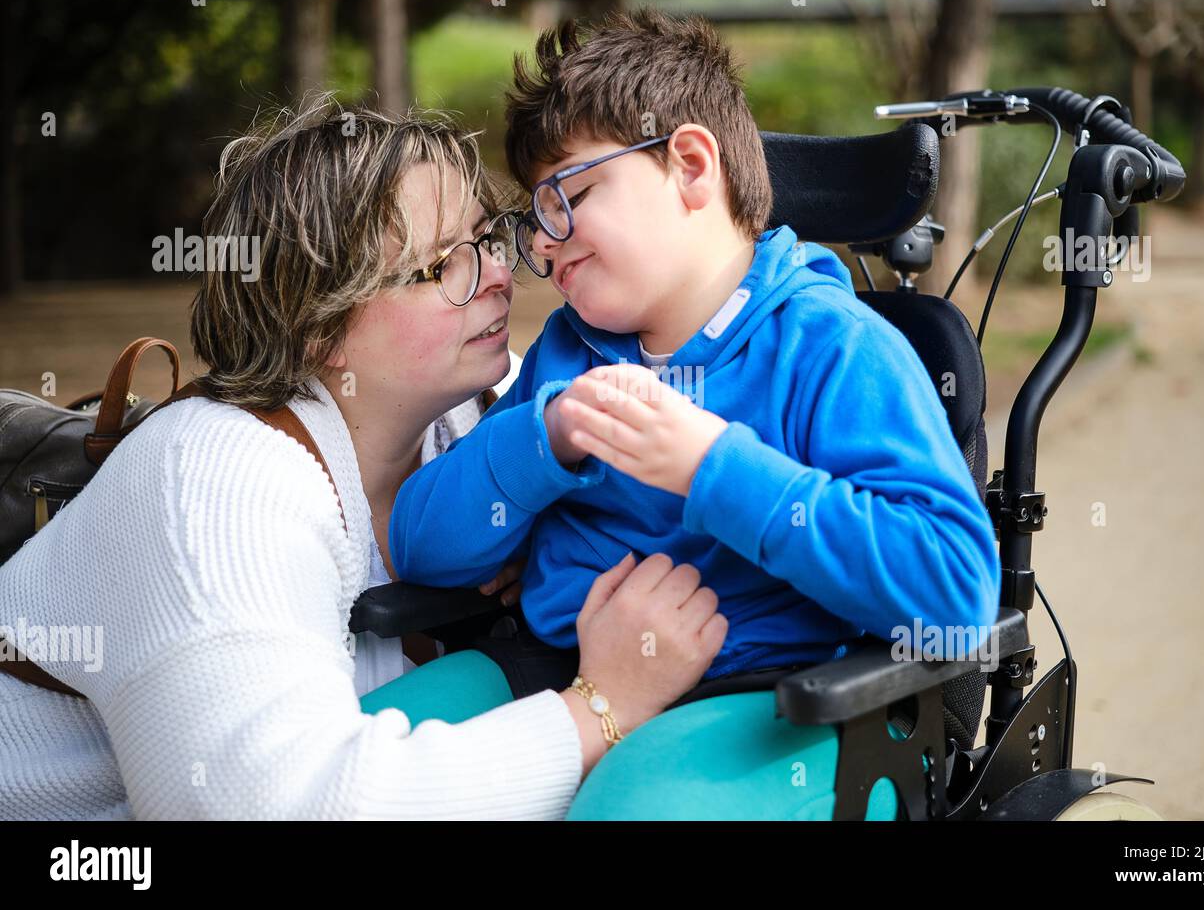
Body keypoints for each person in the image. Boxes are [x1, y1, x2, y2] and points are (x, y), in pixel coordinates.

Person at [0, 96, 724, 820]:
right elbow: (274, 809)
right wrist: (601, 706)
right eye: (447, 264)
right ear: (321, 328)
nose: (501, 275)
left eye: (489, 238)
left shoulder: (481, 413)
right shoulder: (213, 479)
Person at [378, 10, 999, 818]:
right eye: (536, 219)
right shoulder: (568, 359)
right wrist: (544, 445)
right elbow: (421, 549)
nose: (545, 245)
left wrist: (716, 466)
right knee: (373, 755)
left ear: (692, 167)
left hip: (779, 701)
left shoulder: (833, 347)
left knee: (633, 809)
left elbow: (956, 594)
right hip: (562, 668)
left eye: (570, 195)